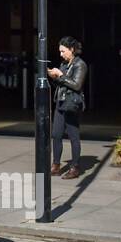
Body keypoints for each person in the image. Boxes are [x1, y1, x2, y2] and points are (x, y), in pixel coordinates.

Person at [48, 37, 87, 180]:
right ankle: (56, 165)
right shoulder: (64, 64)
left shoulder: (80, 65)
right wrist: (53, 75)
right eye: (60, 51)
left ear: (71, 49)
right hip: (60, 102)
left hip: (72, 104)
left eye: (63, 51)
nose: (61, 54)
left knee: (73, 136)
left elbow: (76, 85)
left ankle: (75, 167)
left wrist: (61, 75)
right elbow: (60, 84)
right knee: (56, 134)